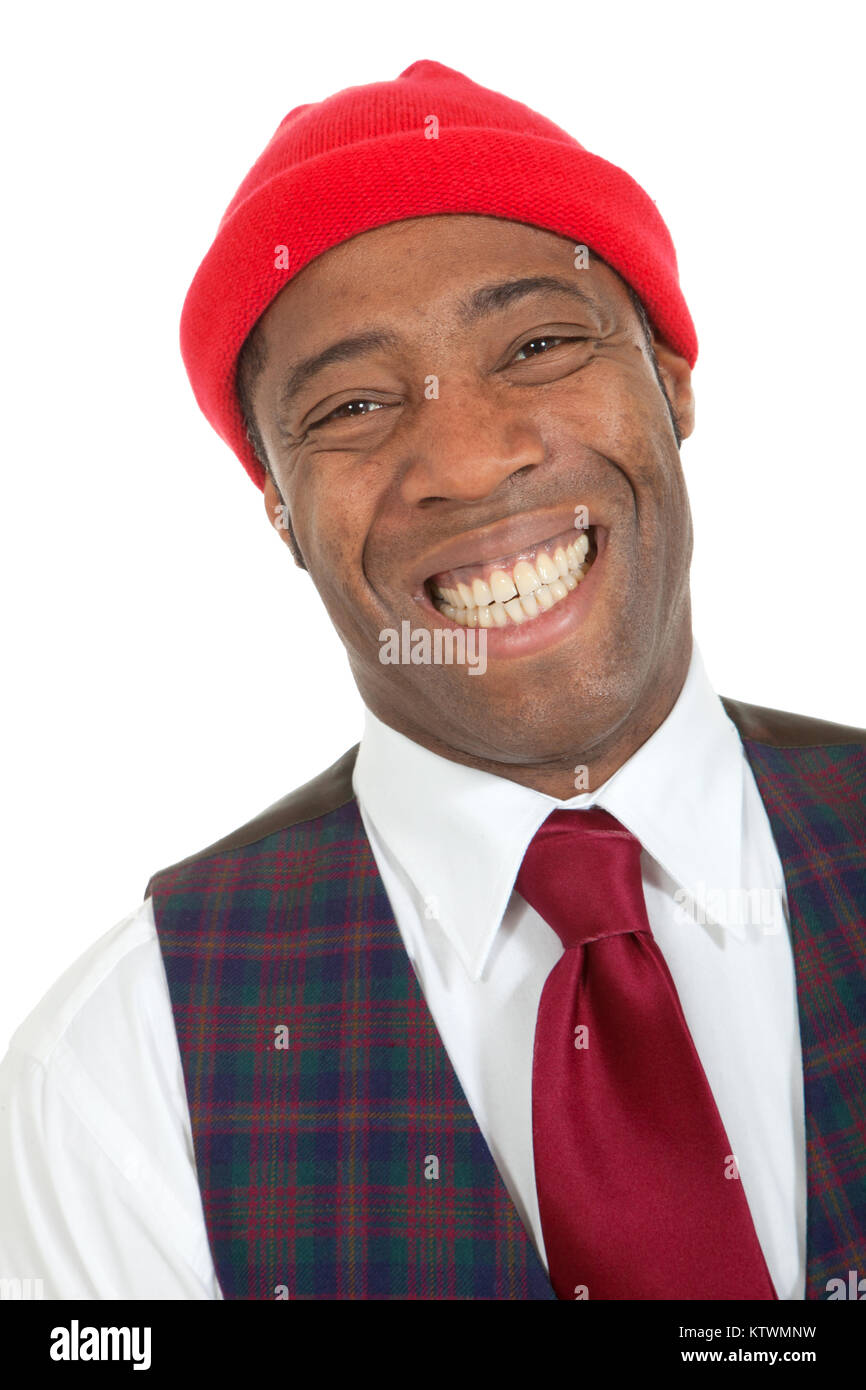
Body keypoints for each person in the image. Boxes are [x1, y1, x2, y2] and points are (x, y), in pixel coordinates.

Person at [1, 59, 864, 1302]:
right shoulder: (121, 1079)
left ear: (670, 380)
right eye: (350, 403)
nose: (464, 459)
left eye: (536, 343)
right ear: (279, 509)